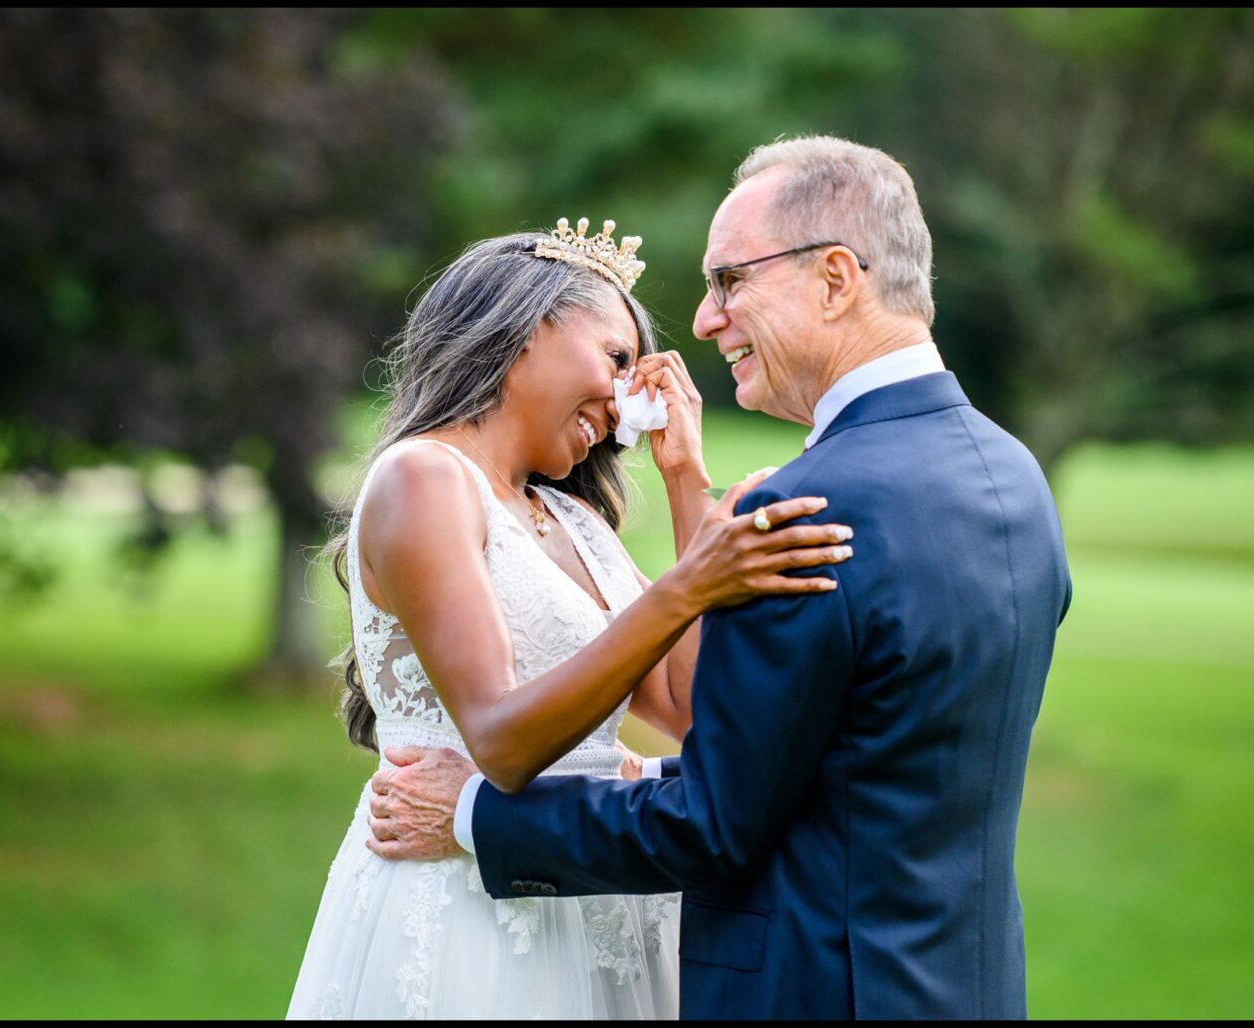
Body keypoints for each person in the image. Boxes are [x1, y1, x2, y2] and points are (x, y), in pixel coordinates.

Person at [366, 135, 1073, 1019]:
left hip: (814, 991)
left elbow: (716, 817)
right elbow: (827, 760)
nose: (702, 322)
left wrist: (473, 819)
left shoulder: (810, 508)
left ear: (837, 277)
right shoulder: (1013, 478)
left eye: (730, 280)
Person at [284, 219, 856, 1019]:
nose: (626, 396)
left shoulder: (572, 520)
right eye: (616, 359)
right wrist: (684, 589)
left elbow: (694, 712)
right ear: (528, 327)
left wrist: (685, 473)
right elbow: (502, 742)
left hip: (595, 902)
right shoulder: (422, 479)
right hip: (469, 922)